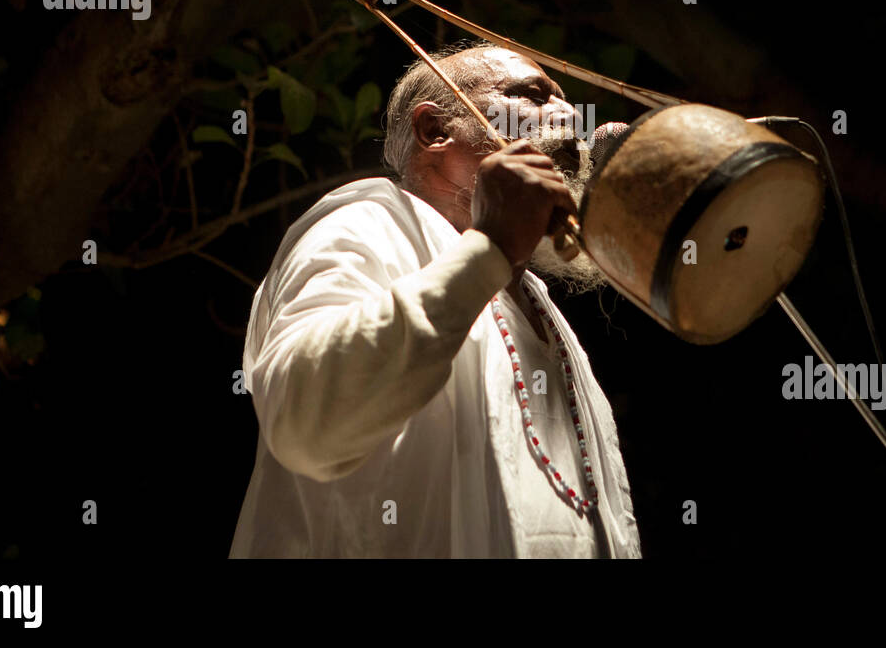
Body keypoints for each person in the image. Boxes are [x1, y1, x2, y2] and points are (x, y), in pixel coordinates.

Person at [228, 40, 641, 557]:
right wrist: (489, 248)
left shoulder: (535, 301)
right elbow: (304, 419)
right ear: (434, 130)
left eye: (565, 101)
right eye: (532, 96)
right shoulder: (367, 220)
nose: (567, 116)